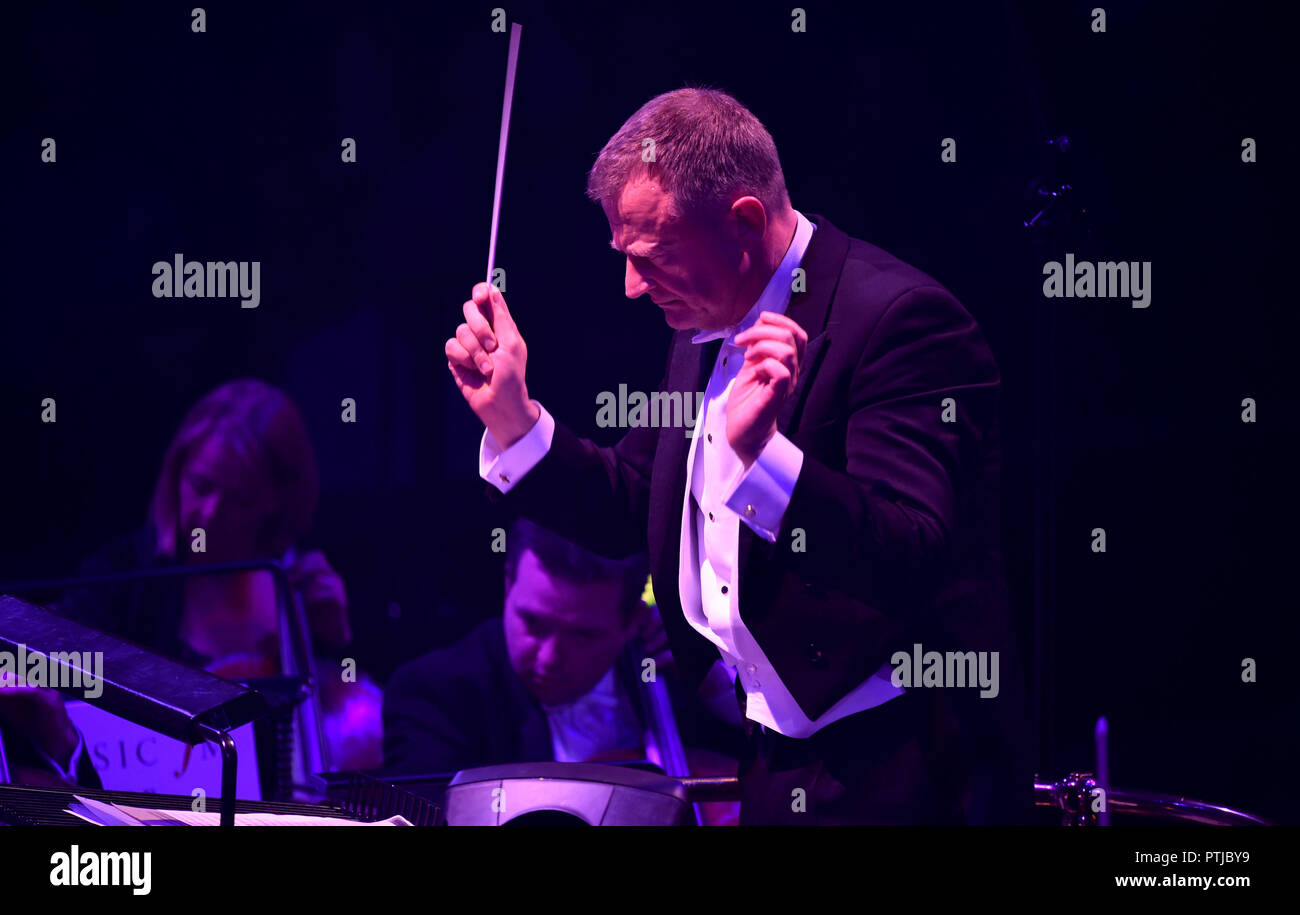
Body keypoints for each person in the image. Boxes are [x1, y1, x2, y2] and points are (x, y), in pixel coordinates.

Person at [444, 87, 1032, 824]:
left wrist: (762, 458)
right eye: (624, 257)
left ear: (744, 222)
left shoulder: (901, 323)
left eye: (651, 258)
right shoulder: (707, 319)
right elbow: (636, 499)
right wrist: (515, 420)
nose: (630, 288)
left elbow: (912, 550)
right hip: (774, 760)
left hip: (913, 773)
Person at [45, 378, 380, 788]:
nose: (209, 514)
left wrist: (334, 645)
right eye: (201, 486)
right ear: (175, 474)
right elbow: (57, 677)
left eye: (239, 500)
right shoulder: (123, 575)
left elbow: (342, 744)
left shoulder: (297, 586)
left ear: (277, 504)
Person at [382, 518, 743, 823]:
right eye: (533, 623)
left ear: (633, 619)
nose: (550, 657)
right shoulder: (434, 695)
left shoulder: (675, 678)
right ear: (509, 584)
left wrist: (713, 679)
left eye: (584, 635)